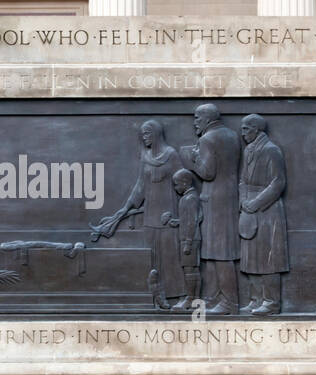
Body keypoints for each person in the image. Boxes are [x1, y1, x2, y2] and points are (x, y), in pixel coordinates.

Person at [99, 119, 183, 305]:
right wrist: (125, 208)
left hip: (168, 214)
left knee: (169, 254)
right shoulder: (145, 157)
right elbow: (140, 186)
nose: (144, 137)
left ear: (156, 134)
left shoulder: (171, 155)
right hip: (150, 214)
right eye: (142, 134)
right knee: (151, 254)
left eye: (147, 133)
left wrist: (181, 212)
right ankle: (155, 295)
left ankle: (176, 295)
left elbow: (182, 181)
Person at [180, 103, 241, 314]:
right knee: (217, 253)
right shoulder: (233, 136)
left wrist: (192, 159)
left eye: (197, 117)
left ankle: (229, 302)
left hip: (215, 201)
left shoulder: (207, 139)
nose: (195, 122)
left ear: (207, 119)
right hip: (230, 199)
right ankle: (215, 298)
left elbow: (207, 173)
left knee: (220, 253)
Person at [238, 114, 288, 316]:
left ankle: (271, 302)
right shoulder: (248, 150)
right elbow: (242, 180)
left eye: (246, 129)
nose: (242, 133)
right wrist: (243, 201)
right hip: (248, 209)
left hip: (267, 211)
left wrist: (256, 203)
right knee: (250, 257)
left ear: (257, 130)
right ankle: (255, 299)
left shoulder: (271, 150)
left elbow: (278, 183)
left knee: (269, 258)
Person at [163, 168, 202, 311]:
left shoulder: (190, 198)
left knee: (190, 270)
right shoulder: (189, 197)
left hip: (189, 239)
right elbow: (190, 219)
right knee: (191, 269)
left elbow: (193, 221)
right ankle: (194, 299)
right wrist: (178, 222)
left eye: (177, 184)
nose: (175, 187)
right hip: (188, 238)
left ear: (185, 183)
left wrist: (188, 242)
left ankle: (191, 299)